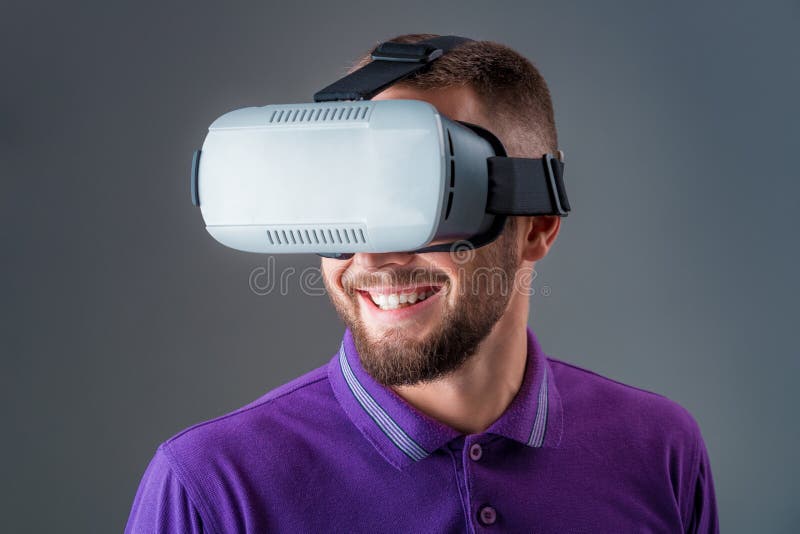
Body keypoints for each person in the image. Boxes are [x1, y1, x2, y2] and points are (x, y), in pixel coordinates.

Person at [126, 34, 718, 533]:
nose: (373, 255)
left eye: (424, 199)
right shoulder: (212, 487)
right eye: (342, 207)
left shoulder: (658, 449)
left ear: (537, 225)